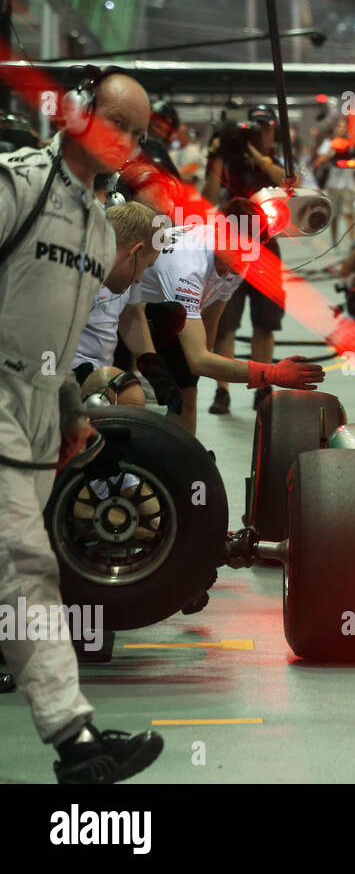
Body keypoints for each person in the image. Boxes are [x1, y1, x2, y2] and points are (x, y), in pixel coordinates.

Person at [0, 67, 166, 782]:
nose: (125, 141)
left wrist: (69, 408)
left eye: (137, 133)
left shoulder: (101, 230)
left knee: (17, 575)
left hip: (40, 421)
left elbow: (62, 340)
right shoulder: (18, 186)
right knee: (25, 568)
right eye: (116, 122)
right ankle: (77, 742)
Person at [131, 199, 324, 433]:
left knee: (187, 398)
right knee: (130, 397)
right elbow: (198, 359)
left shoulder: (241, 257)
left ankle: (181, 454)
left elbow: (211, 321)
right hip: (127, 309)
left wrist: (200, 370)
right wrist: (272, 373)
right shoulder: (187, 265)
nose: (241, 261)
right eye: (239, 250)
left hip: (163, 311)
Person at [206, 106, 293, 413]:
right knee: (225, 324)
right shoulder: (228, 160)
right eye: (255, 128)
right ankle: (222, 391)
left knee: (265, 324)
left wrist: (257, 154)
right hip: (230, 246)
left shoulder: (276, 161)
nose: (260, 133)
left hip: (265, 248)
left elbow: (287, 184)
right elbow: (209, 197)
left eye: (265, 128)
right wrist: (216, 157)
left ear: (273, 130)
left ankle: (262, 386)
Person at [71, 202, 174, 405]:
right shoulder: (74, 273)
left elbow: (131, 313)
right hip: (58, 371)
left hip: (98, 369)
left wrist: (154, 367)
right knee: (129, 396)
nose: (139, 279)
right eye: (146, 266)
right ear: (135, 252)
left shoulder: (125, 275)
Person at [313, 118, 355, 247]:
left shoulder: (352, 145)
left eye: (344, 126)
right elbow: (319, 162)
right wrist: (332, 152)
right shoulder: (329, 143)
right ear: (335, 128)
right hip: (333, 184)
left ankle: (353, 241)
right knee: (334, 215)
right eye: (339, 126)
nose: (342, 129)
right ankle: (334, 241)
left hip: (348, 184)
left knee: (348, 213)